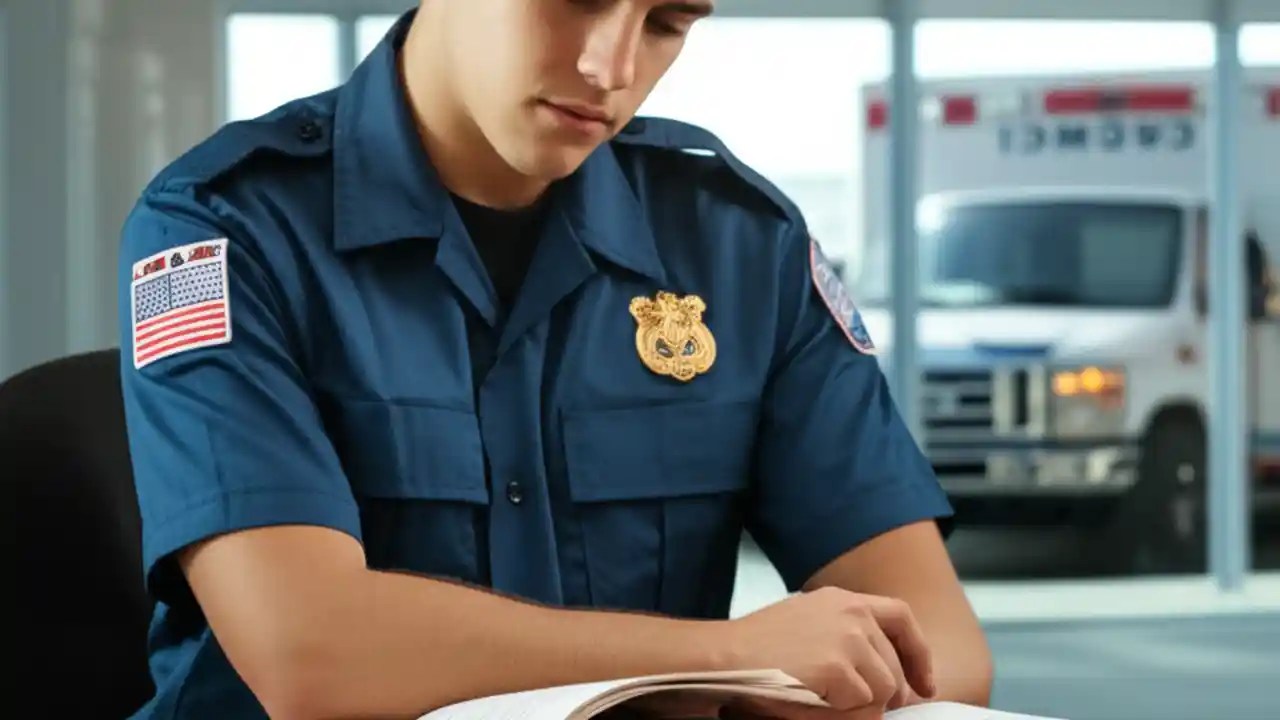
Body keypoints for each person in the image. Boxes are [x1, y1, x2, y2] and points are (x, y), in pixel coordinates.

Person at [117, 2, 992, 718]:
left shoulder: (739, 247)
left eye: (666, 22)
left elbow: (940, 646)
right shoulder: (220, 230)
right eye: (576, 1)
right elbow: (311, 653)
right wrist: (730, 657)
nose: (612, 67)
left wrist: (799, 692)